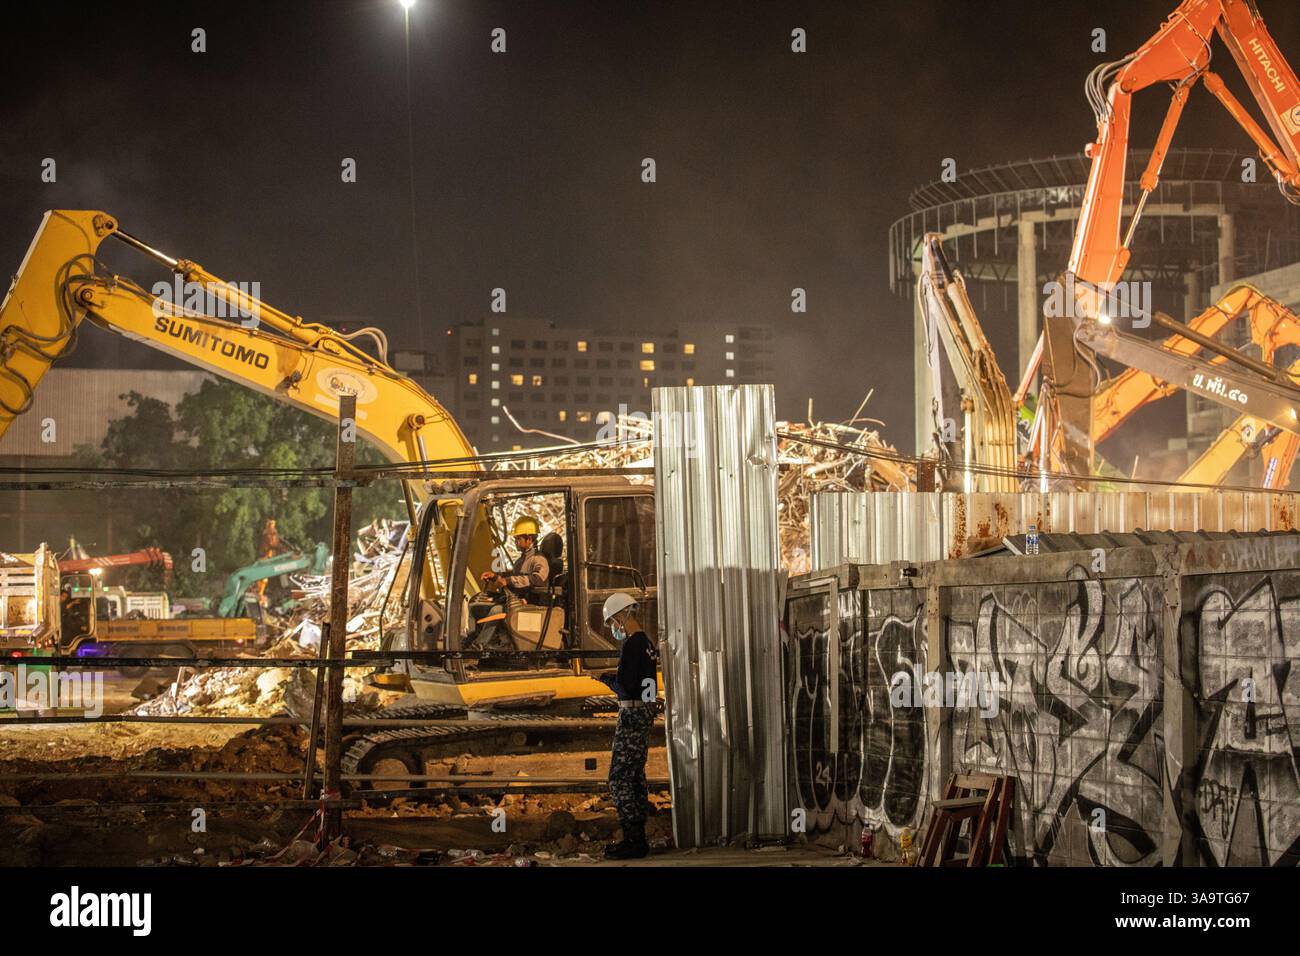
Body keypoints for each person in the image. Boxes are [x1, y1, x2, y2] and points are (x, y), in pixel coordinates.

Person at [598, 592, 658, 860]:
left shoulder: (633, 645)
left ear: (622, 616)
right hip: (643, 712)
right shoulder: (647, 644)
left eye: (613, 621)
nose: (613, 627)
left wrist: (605, 679)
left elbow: (625, 685)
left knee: (619, 777)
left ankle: (634, 839)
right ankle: (638, 837)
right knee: (635, 775)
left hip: (632, 714)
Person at [467, 516, 550, 653]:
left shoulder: (539, 560)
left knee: (496, 610)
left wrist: (508, 581)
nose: (516, 542)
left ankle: (478, 647)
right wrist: (495, 577)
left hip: (530, 602)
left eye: (518, 539)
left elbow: (538, 580)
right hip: (514, 600)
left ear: (529, 539)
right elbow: (513, 578)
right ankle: (470, 639)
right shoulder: (521, 560)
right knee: (473, 607)